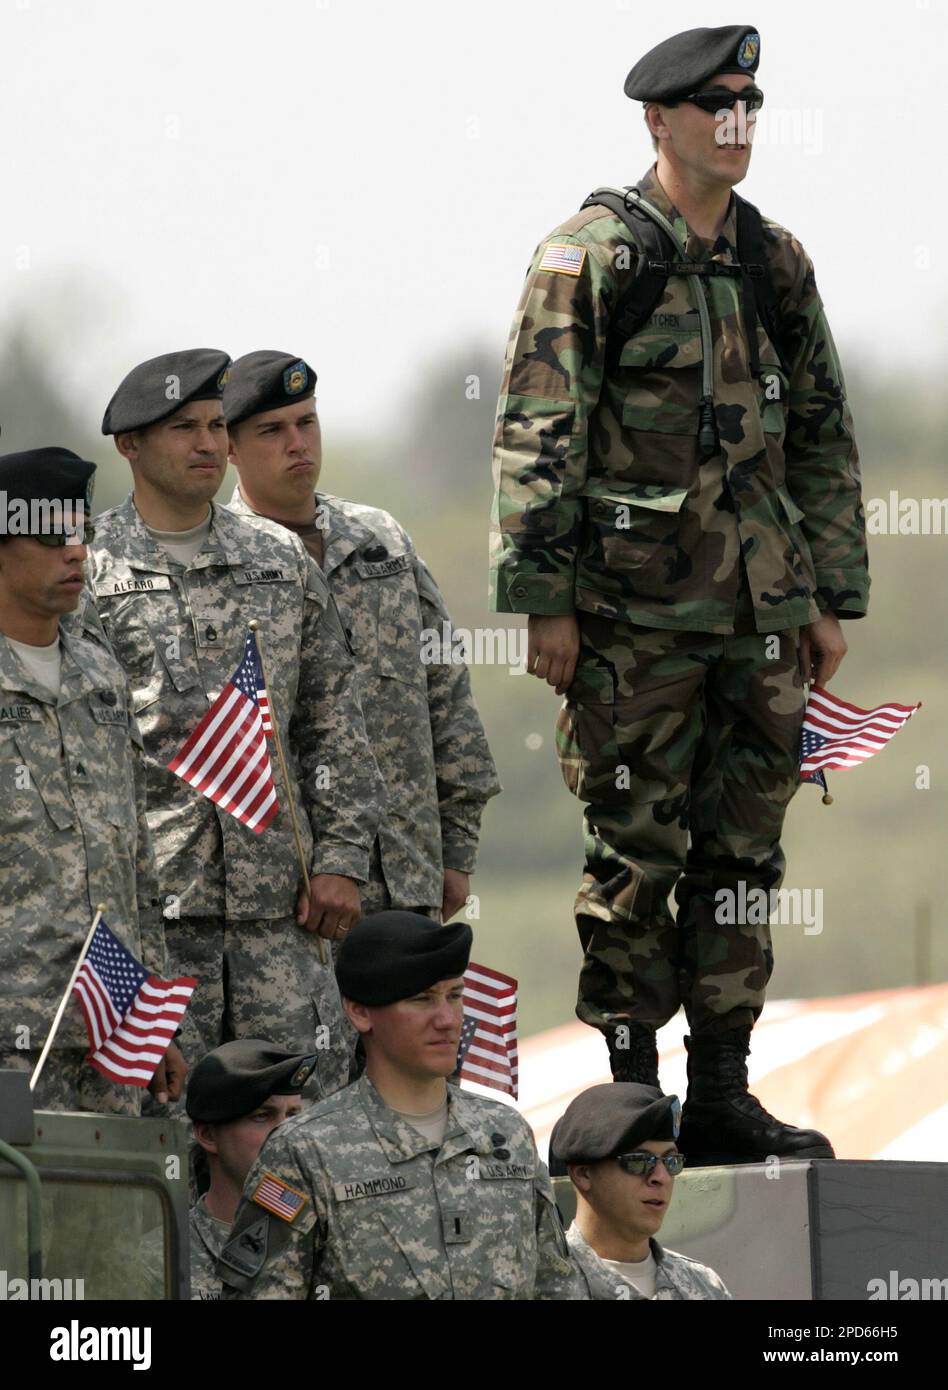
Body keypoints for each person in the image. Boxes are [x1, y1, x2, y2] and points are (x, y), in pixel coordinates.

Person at [489, 25, 869, 1162]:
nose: (736, 125)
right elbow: (536, 433)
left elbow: (821, 436)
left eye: (749, 106)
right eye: (715, 107)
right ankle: (630, 1095)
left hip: (757, 620)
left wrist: (826, 594)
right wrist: (543, 601)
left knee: (743, 859)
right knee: (635, 855)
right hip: (631, 620)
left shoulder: (774, 260)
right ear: (659, 121)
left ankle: (720, 1090)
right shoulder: (593, 256)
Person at [83, 350, 385, 1101]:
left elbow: (330, 721)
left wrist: (344, 857)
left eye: (218, 427)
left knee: (293, 1133)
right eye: (184, 428)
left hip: (278, 919)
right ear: (130, 445)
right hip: (154, 921)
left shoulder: (278, 560)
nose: (209, 445)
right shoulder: (87, 568)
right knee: (168, 1138)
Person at [223, 351, 500, 922]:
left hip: (408, 870)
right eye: (272, 431)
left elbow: (446, 694)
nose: (297, 443)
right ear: (230, 449)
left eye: (307, 422)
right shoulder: (222, 565)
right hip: (296, 895)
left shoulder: (380, 541)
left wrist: (458, 845)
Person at [218, 911, 584, 1300]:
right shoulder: (305, 1152)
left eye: (455, 996)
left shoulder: (507, 1134)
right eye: (422, 999)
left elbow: (555, 1284)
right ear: (359, 1011)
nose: (447, 1019)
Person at [0, 447, 183, 1113]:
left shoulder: (98, 673)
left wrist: (155, 1017)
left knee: (112, 1214)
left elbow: (135, 856)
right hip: (12, 1030)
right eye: (51, 538)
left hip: (111, 1024)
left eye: (79, 534)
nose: (73, 553)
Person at [550, 1082, 730, 1300]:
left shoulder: (702, 1284)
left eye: (671, 1161)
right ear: (584, 1174)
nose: (661, 1177)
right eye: (640, 1161)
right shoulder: (539, 1287)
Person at [185, 1039, 315, 1299]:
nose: (285, 1133)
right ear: (209, 1135)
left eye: (294, 1116)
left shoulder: (330, 1242)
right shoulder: (166, 1255)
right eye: (262, 1116)